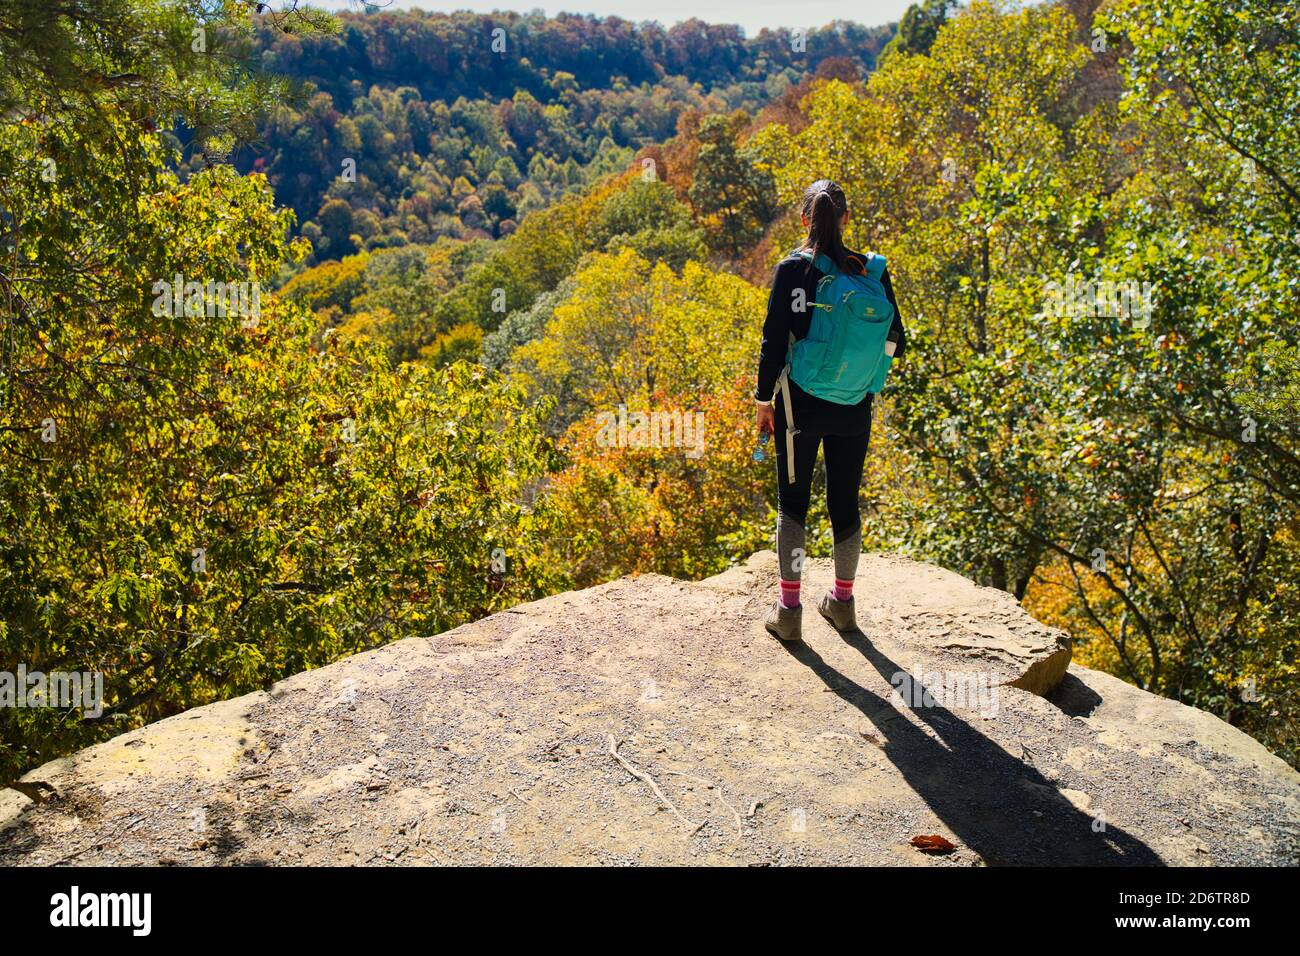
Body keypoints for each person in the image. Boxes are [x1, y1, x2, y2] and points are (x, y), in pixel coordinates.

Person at [754, 179, 907, 642]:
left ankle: (789, 610)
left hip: (799, 407)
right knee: (844, 502)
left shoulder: (791, 271)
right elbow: (897, 343)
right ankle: (842, 603)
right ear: (845, 220)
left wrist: (764, 403)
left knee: (793, 503)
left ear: (805, 220)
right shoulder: (872, 272)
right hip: (854, 407)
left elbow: (772, 342)